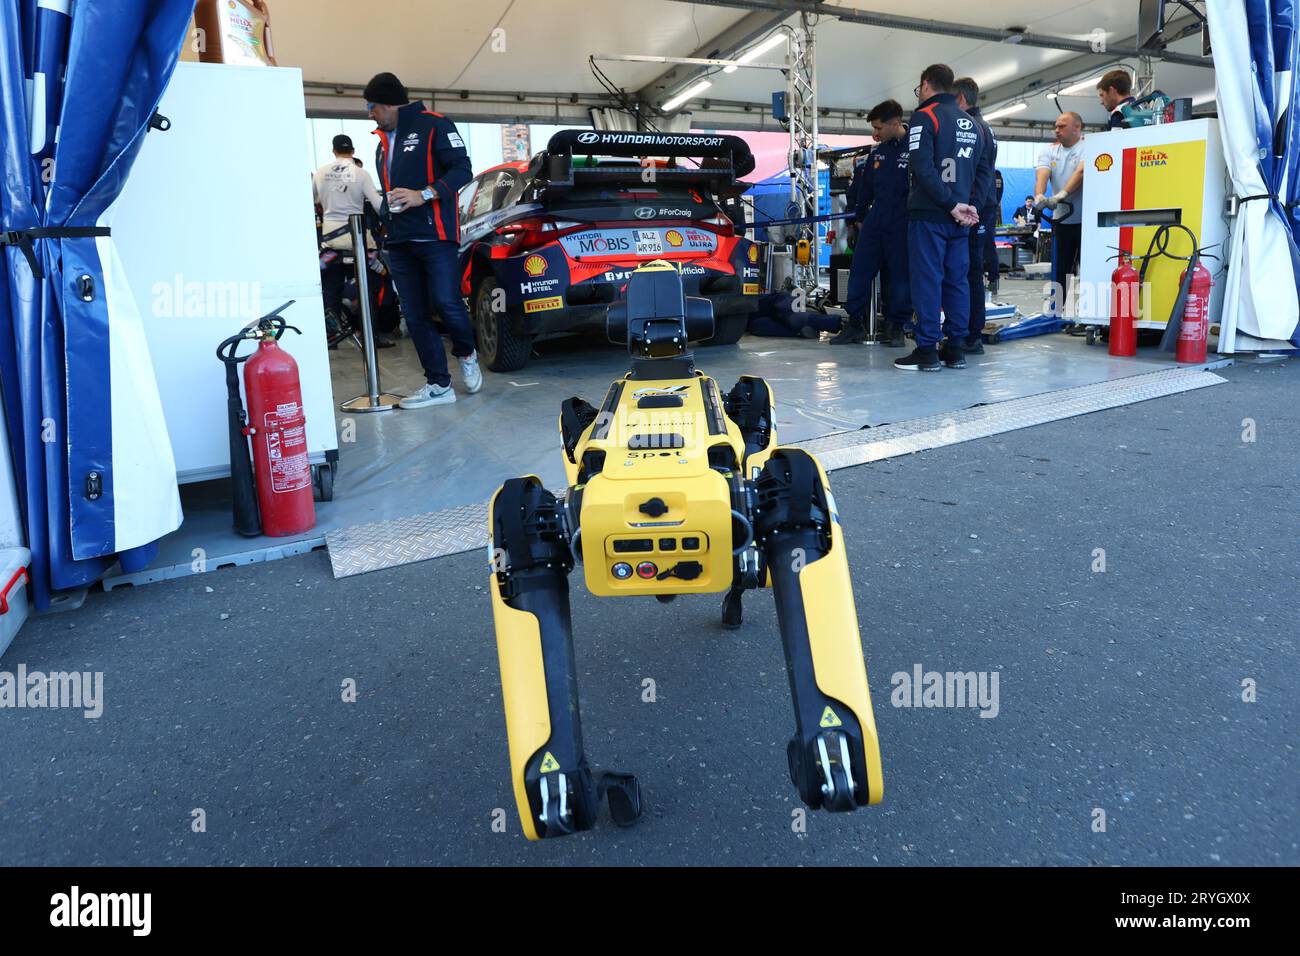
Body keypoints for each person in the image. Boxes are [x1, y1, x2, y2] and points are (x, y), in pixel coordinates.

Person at [364, 71, 480, 408]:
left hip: (436, 235)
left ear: (388, 104)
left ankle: (467, 352)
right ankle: (439, 384)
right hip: (399, 241)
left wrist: (424, 194)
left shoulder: (436, 125)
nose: (369, 113)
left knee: (446, 302)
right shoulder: (381, 146)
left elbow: (462, 170)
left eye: (372, 106)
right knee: (414, 315)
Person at [895, 64, 986, 372]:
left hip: (932, 213)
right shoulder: (972, 124)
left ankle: (927, 350)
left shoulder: (925, 116)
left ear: (925, 85)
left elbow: (922, 167)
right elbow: (980, 172)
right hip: (961, 216)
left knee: (927, 279)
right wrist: (969, 205)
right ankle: (956, 348)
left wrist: (949, 204)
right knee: (957, 280)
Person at [830, 99, 911, 347]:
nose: (874, 134)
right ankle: (854, 323)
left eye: (878, 128)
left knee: (899, 277)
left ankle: (895, 327)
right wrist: (859, 219)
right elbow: (864, 190)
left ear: (895, 123)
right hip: (875, 222)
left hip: (903, 221)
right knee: (859, 272)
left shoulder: (916, 148)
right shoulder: (878, 153)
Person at [313, 134, 389, 345]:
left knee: (331, 289)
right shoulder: (361, 173)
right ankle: (369, 336)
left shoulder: (320, 173)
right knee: (370, 284)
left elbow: (310, 202)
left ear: (333, 151)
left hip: (330, 241)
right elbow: (377, 204)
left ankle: (332, 337)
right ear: (353, 151)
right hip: (358, 239)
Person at [953, 76, 997, 355]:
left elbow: (977, 174)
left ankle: (971, 335)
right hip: (982, 205)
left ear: (959, 99)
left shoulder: (974, 128)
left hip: (976, 207)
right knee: (972, 270)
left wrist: (971, 208)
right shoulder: (985, 127)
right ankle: (971, 332)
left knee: (969, 271)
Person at [1035, 112, 1085, 318]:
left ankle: (1086, 313)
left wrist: (1062, 194)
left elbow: (1081, 172)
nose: (1057, 130)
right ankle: (1056, 310)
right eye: (1055, 126)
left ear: (1077, 127)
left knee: (1086, 267)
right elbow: (1042, 174)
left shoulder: (1087, 147)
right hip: (1062, 219)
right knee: (1061, 267)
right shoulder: (1050, 150)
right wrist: (1040, 196)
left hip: (1085, 218)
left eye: (1062, 126)